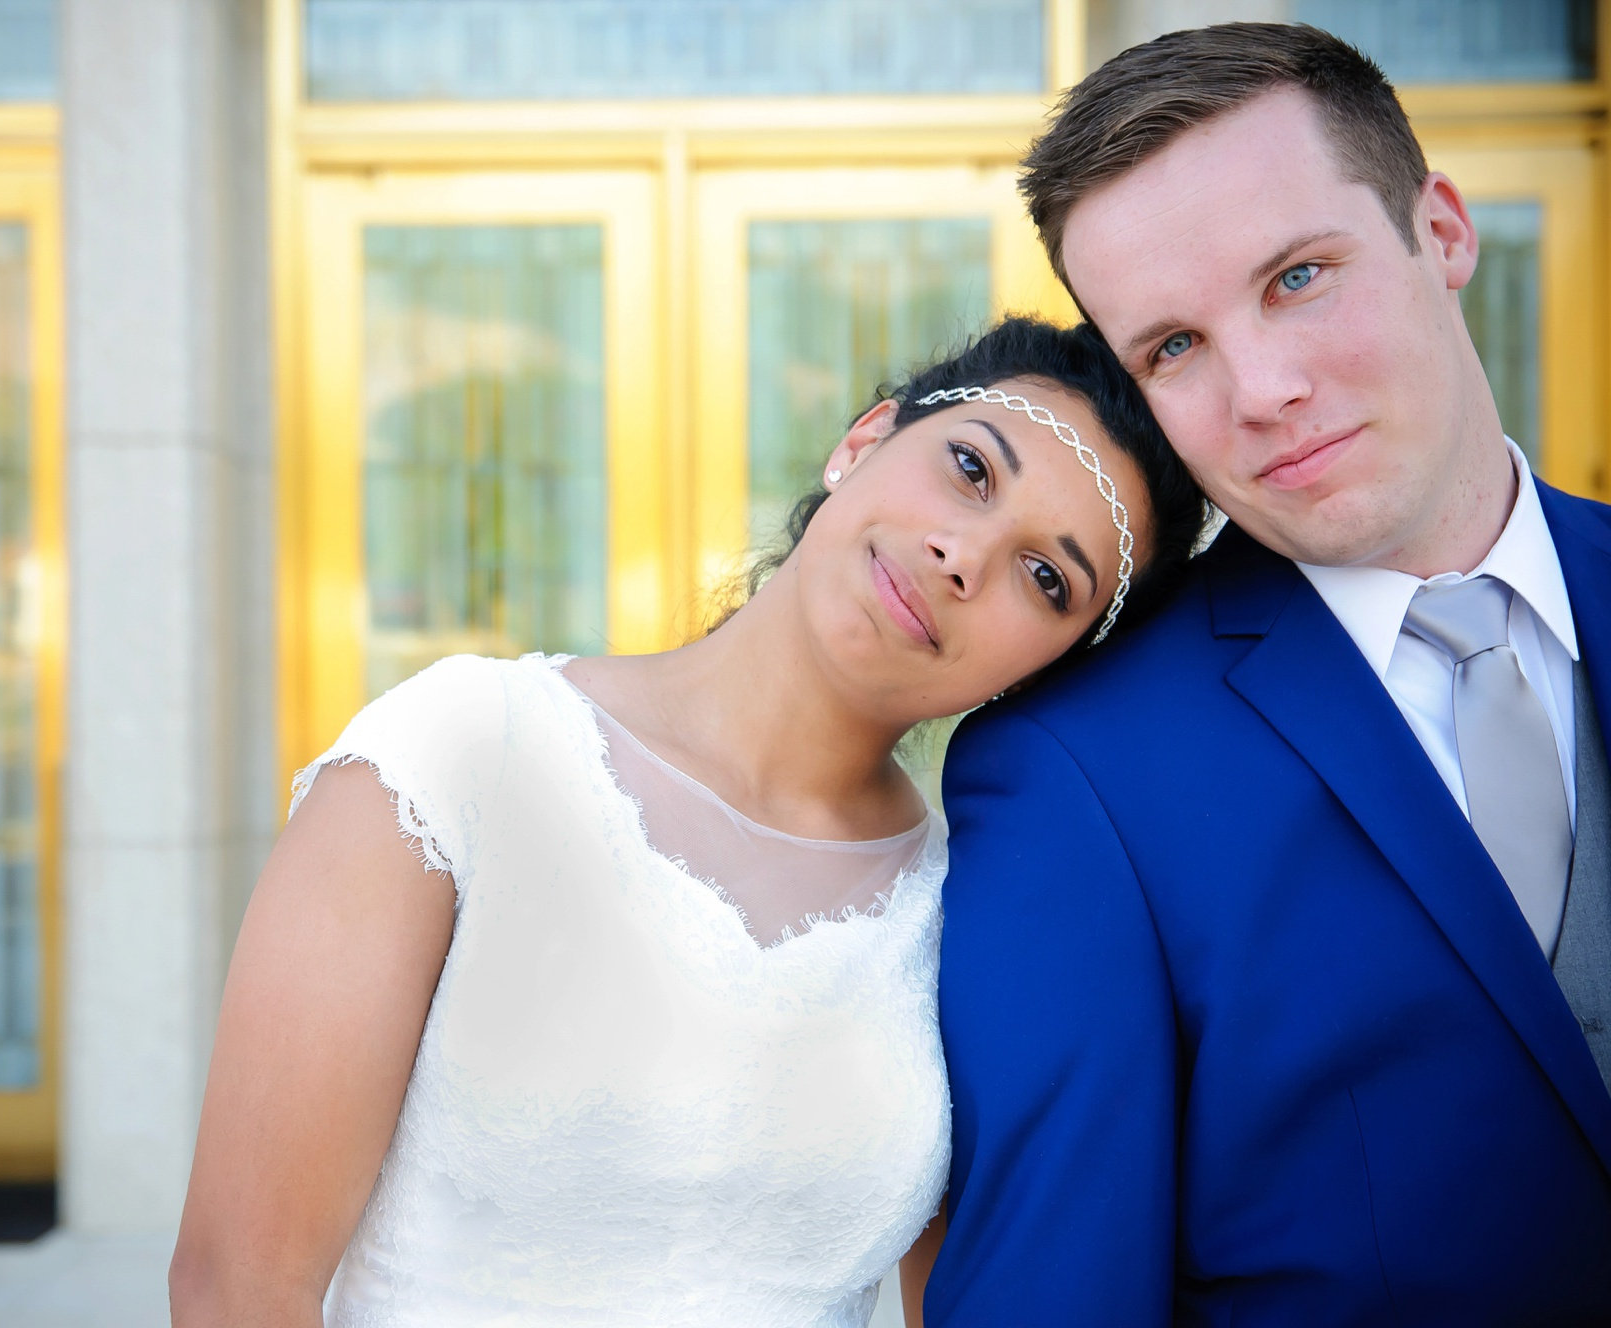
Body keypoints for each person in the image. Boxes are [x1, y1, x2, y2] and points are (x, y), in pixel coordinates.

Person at [168, 316, 1205, 1328]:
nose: (962, 555)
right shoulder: (461, 752)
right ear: (863, 442)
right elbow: (236, 1285)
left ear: (1049, 666)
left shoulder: (960, 917)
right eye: (970, 469)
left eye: (1045, 577)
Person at [922, 23, 1611, 1326]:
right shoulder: (1074, 777)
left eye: (1297, 278)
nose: (1262, 389)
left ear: (1441, 232)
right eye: (1173, 347)